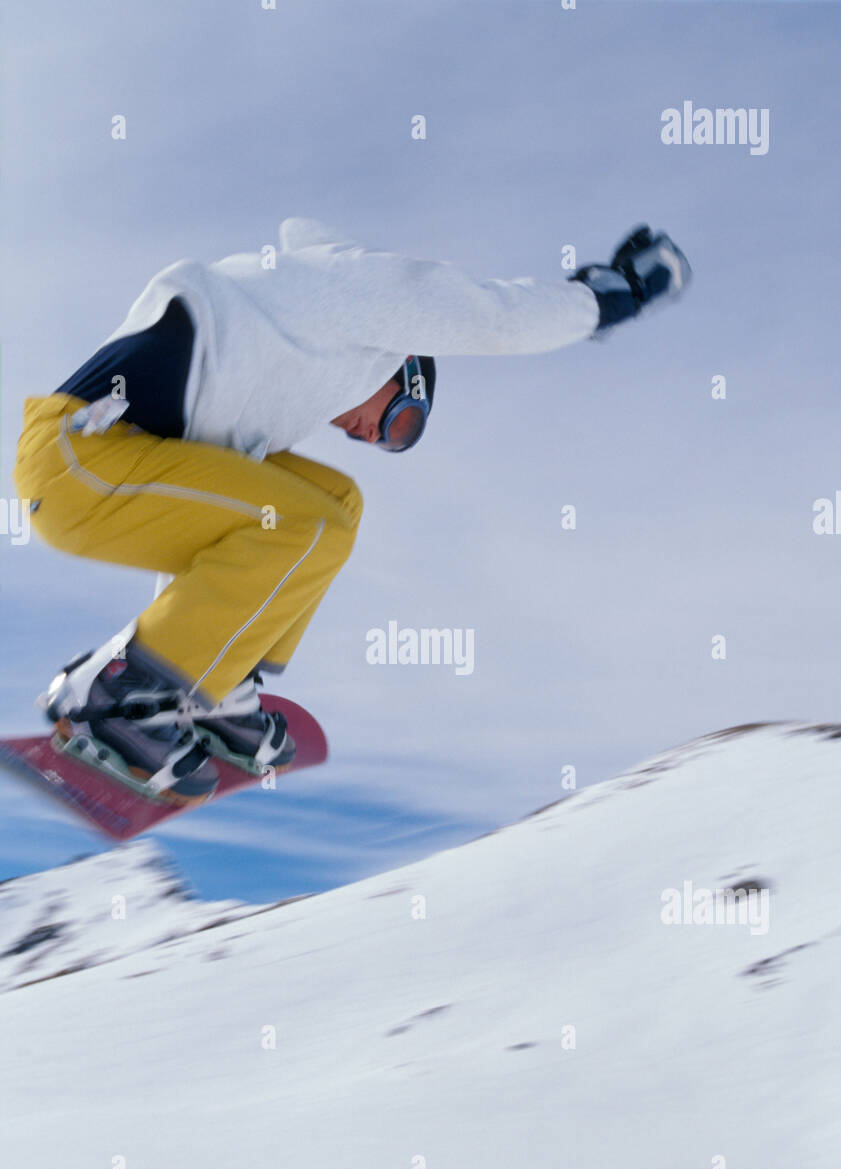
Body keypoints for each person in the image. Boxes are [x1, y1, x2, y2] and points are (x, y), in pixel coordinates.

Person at [13, 219, 689, 802]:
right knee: (308, 525)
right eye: (400, 422)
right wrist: (599, 303)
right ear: (405, 367)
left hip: (112, 463)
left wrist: (196, 671)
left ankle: (219, 687)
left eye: (391, 439)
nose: (372, 436)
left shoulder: (261, 372)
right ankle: (114, 695)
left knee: (332, 501)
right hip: (80, 457)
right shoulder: (353, 294)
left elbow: (208, 558)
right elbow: (489, 317)